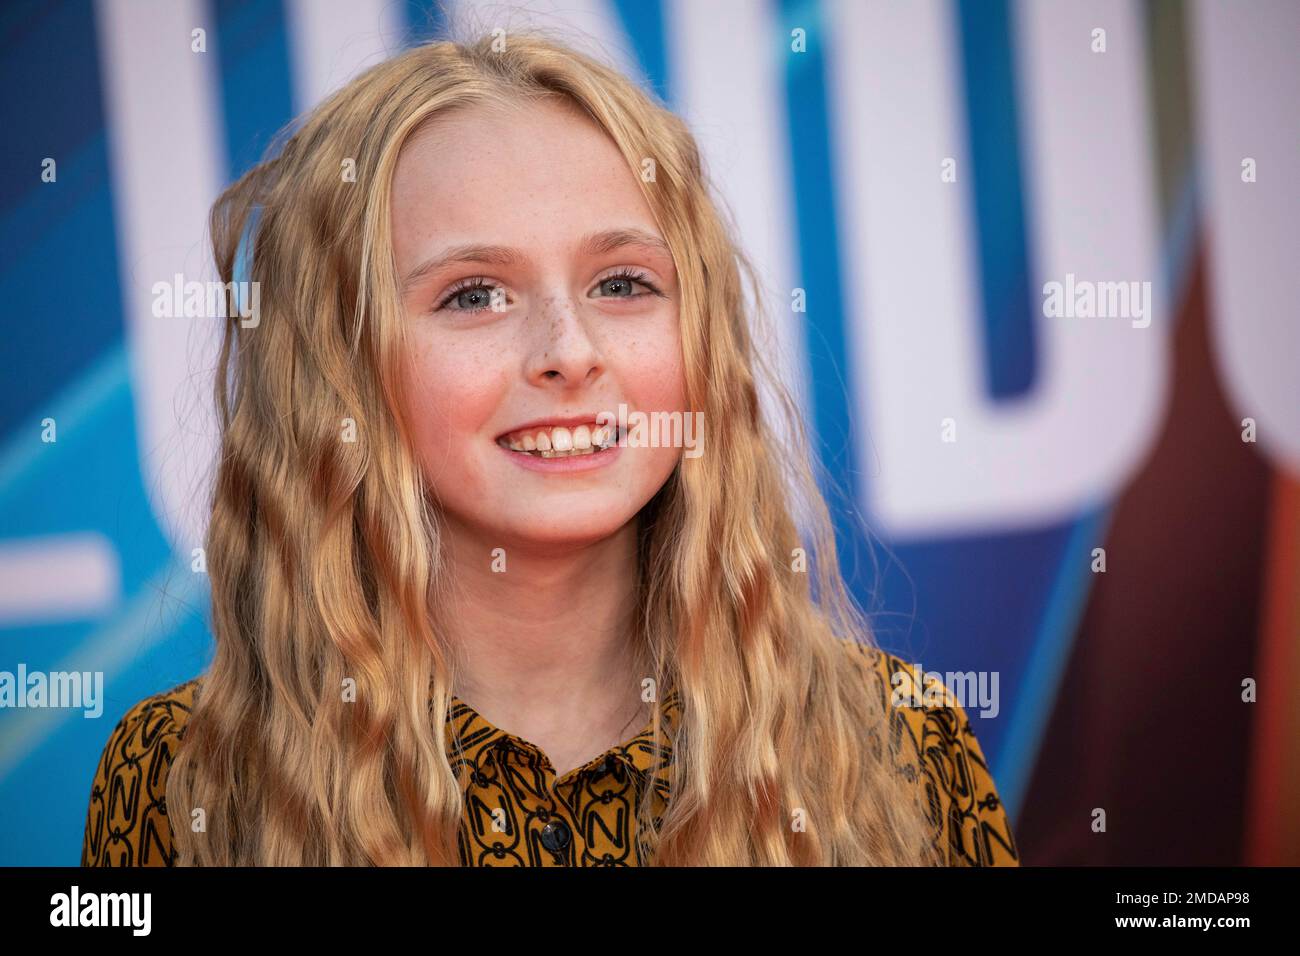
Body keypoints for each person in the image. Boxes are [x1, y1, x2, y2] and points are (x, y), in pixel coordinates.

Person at [82, 29, 1018, 867]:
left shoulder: (902, 742)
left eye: (622, 282)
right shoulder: (185, 780)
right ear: (340, 368)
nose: (570, 352)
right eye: (474, 294)